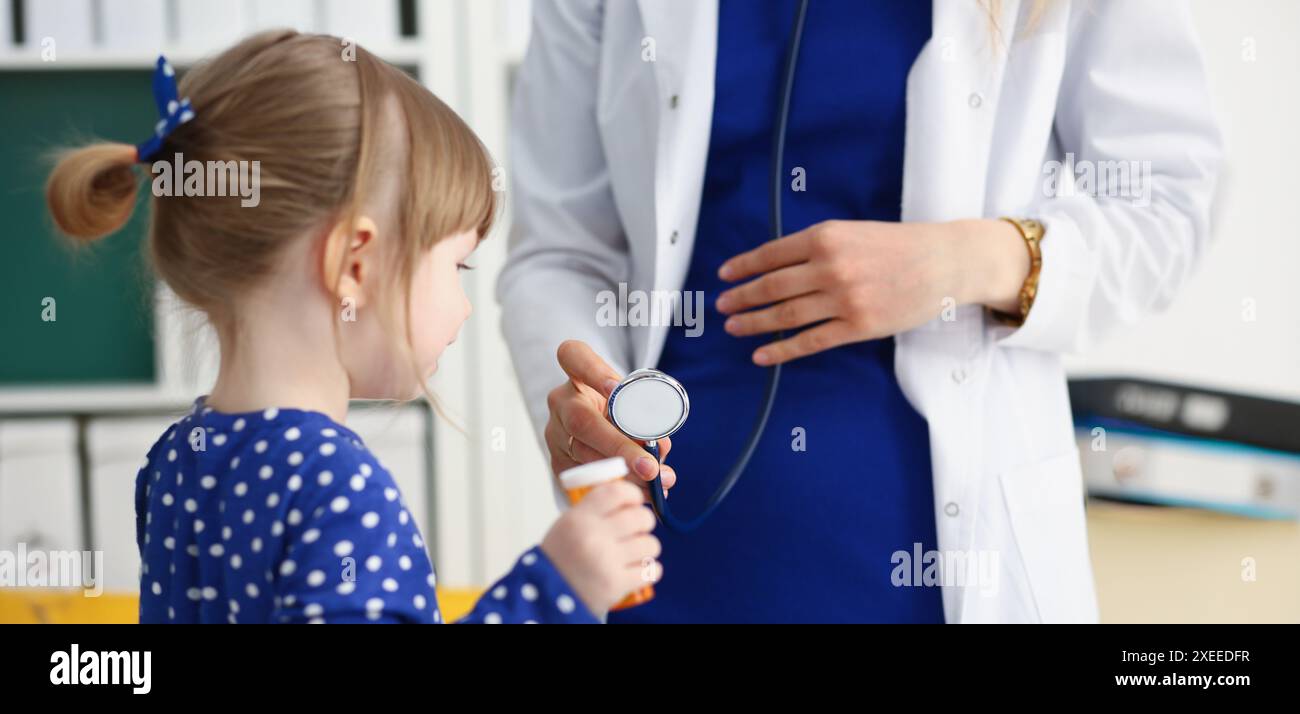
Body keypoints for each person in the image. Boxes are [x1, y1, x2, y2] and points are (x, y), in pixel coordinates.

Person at [498, 0, 1223, 622]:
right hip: (673, 548)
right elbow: (561, 253)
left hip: (936, 562)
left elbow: (1170, 201)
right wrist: (584, 404)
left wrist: (965, 259)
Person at [45, 30, 662, 624]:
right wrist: (555, 589)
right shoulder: (334, 487)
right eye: (456, 265)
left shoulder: (175, 461)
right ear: (354, 263)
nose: (465, 305)